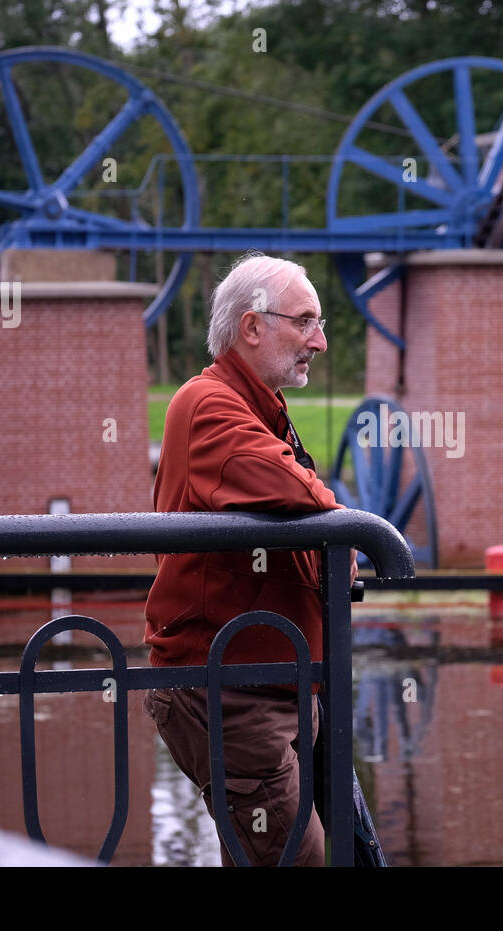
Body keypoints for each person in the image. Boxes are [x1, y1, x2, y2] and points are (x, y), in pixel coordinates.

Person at [142, 252, 357, 867]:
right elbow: (295, 489)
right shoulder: (209, 405)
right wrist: (328, 504)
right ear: (253, 326)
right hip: (226, 691)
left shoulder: (256, 406)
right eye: (306, 322)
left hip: (266, 684)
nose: (319, 341)